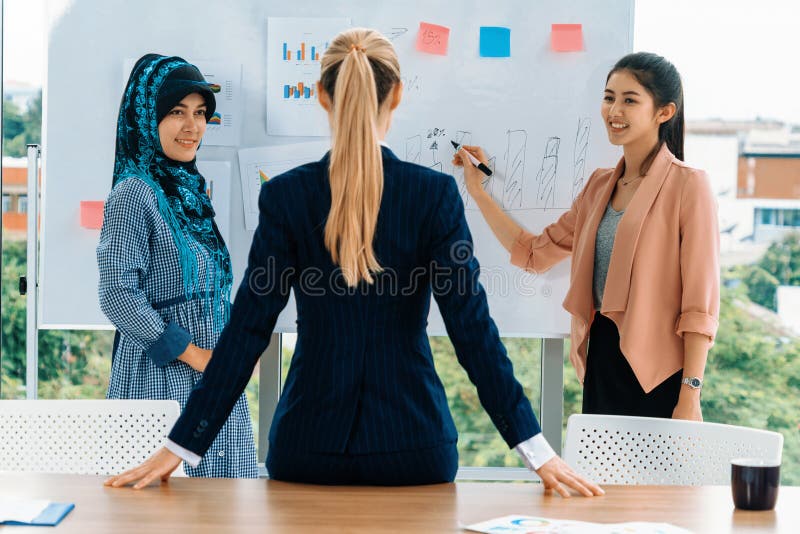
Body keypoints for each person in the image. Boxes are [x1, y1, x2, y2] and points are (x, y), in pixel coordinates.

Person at [105, 29, 602, 497]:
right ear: (398, 95)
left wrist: (180, 445)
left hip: (308, 448)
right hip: (414, 448)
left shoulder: (286, 196)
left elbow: (246, 332)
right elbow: (472, 332)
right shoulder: (434, 196)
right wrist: (536, 451)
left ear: (321, 95)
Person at [454, 52, 719, 421]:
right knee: (601, 481)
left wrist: (690, 395)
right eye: (609, 97)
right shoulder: (598, 186)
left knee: (658, 482)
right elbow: (533, 253)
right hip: (602, 363)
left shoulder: (689, 186)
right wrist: (478, 191)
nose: (614, 110)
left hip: (662, 375)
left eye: (630, 100)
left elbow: (699, 306)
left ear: (665, 112)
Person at [97, 54, 257, 478]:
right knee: (158, 516)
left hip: (212, 379)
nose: (193, 127)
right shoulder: (134, 193)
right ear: (147, 117)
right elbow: (116, 295)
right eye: (176, 112)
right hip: (161, 378)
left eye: (201, 113)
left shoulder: (190, 191)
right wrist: (194, 354)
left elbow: (210, 292)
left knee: (223, 513)